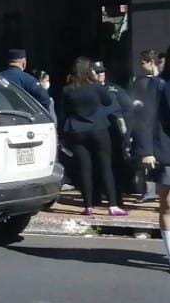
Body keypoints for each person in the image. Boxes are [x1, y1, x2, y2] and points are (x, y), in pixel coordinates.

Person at [60, 56, 127, 218]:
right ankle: (112, 205)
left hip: (77, 131)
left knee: (85, 169)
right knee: (105, 166)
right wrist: (96, 81)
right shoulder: (96, 87)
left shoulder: (68, 90)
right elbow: (107, 100)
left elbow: (65, 110)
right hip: (98, 128)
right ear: (88, 71)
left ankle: (88, 206)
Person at [134, 45, 170, 268]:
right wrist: (146, 150)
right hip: (166, 150)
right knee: (167, 204)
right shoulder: (158, 85)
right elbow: (146, 118)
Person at [93, 61, 135, 204]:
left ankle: (116, 195)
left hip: (114, 131)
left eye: (102, 71)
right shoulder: (87, 89)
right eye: (97, 72)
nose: (100, 75)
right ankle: (96, 195)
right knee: (96, 164)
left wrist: (126, 128)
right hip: (96, 130)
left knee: (115, 164)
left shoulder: (114, 89)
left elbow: (128, 106)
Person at [130, 50, 163, 201]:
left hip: (159, 125)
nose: (141, 66)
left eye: (143, 63)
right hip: (147, 124)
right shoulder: (140, 81)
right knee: (147, 160)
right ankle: (150, 191)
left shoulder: (160, 81)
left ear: (151, 62)